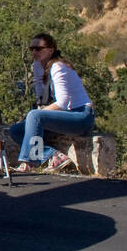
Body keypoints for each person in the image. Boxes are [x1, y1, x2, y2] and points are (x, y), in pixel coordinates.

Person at [8, 33, 94, 172]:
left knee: (34, 116)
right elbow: (41, 96)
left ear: (50, 50)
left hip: (81, 116)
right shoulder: (38, 66)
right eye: (32, 49)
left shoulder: (58, 67)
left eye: (39, 48)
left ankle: (29, 163)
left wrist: (36, 114)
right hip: (65, 116)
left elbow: (63, 103)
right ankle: (53, 156)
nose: (34, 52)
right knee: (16, 130)